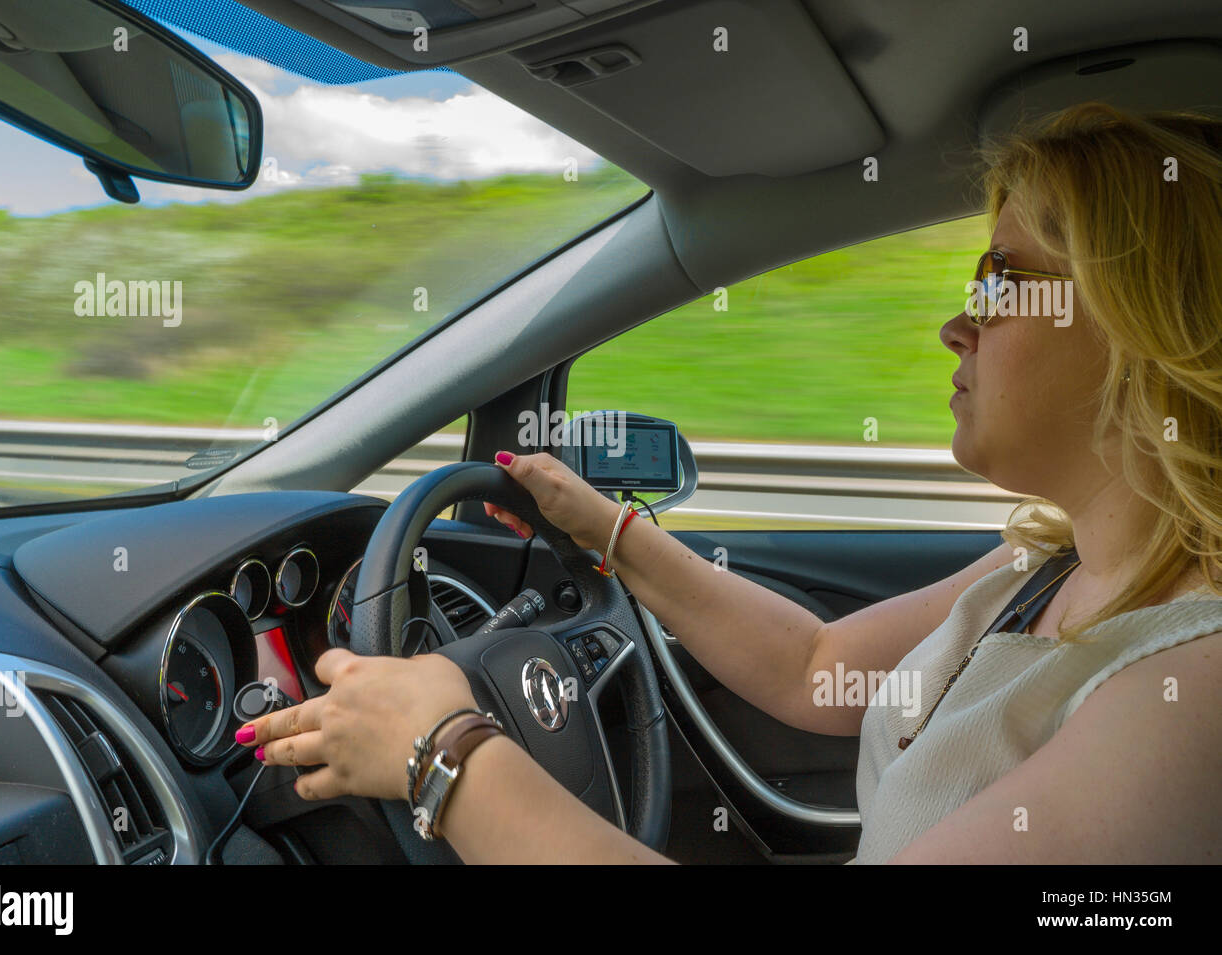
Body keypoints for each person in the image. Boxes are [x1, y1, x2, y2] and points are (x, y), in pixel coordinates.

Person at [236, 103, 1222, 863]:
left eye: (999, 284)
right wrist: (606, 530)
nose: (953, 326)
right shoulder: (1044, 565)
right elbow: (812, 665)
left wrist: (440, 755)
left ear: (1145, 321)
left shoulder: (1190, 692)